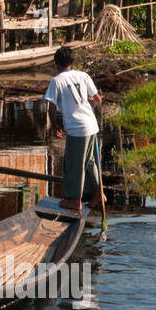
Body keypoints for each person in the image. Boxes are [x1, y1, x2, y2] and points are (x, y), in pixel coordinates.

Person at [43, 46, 103, 212]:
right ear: (73, 62)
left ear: (56, 64)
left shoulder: (57, 81)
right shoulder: (83, 75)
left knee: (73, 165)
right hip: (91, 125)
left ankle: (74, 200)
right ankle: (97, 193)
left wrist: (55, 125)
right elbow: (97, 99)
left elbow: (51, 108)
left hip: (77, 129)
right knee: (89, 161)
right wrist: (87, 108)